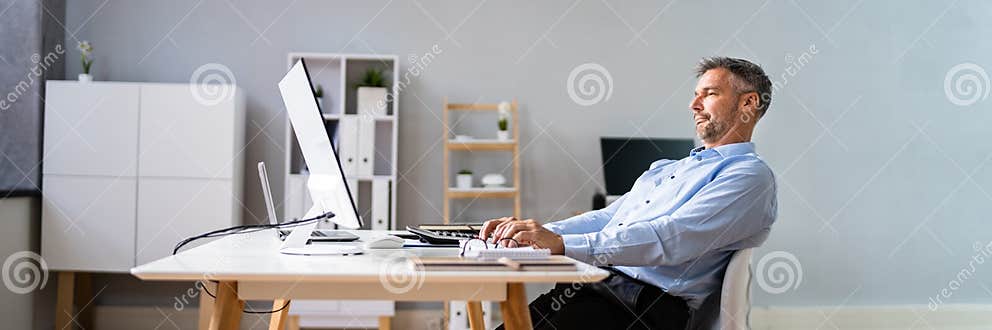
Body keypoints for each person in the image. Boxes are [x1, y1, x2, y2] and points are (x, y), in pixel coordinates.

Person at [481, 57, 778, 329]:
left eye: (710, 93)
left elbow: (671, 237)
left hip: (641, 309)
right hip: (593, 289)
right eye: (696, 94)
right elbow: (608, 217)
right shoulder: (667, 168)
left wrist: (561, 243)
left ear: (748, 103)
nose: (694, 104)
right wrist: (530, 236)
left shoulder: (748, 176)